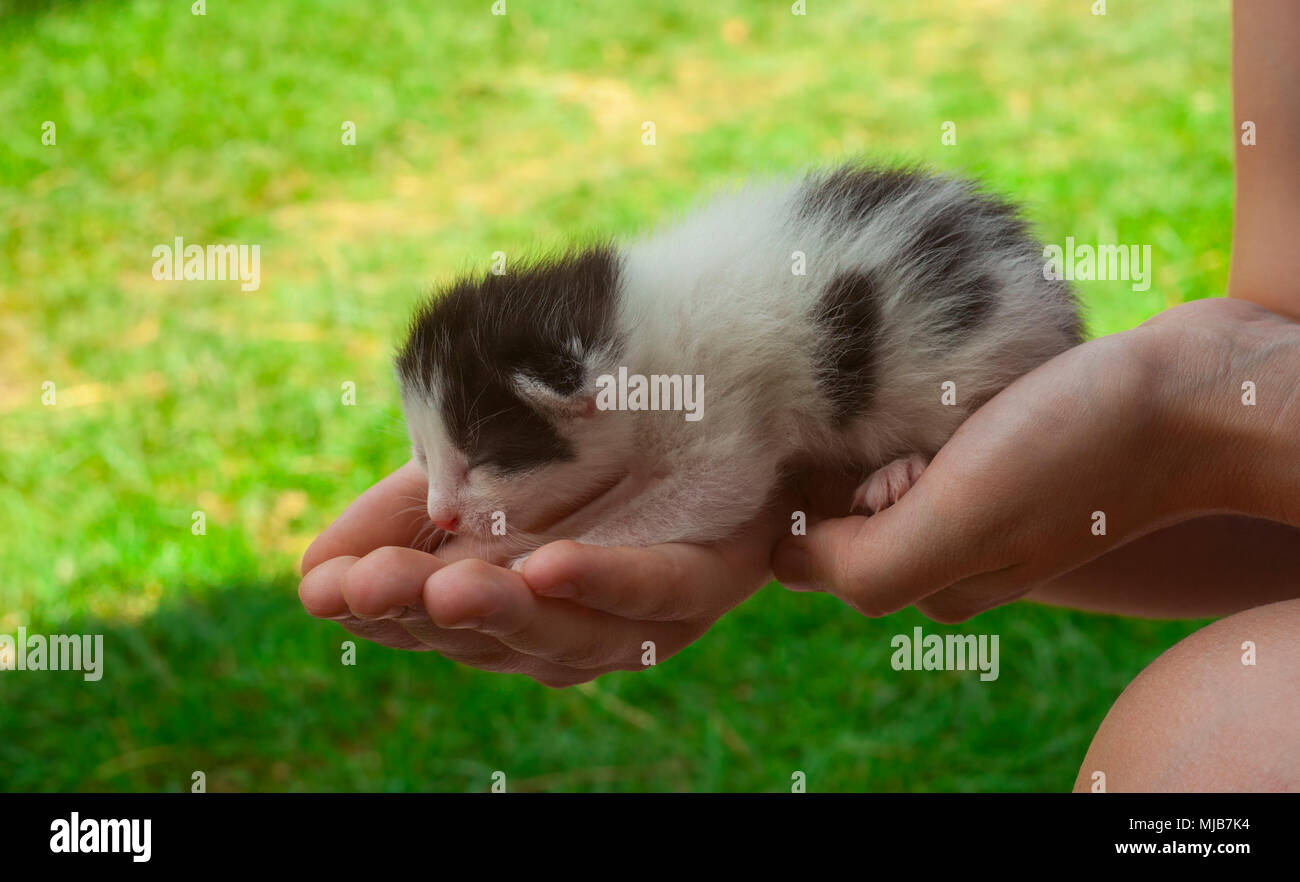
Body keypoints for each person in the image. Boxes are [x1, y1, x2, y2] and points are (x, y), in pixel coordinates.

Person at [299, 0, 1300, 791]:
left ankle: (938, 442)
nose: (438, 504)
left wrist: (542, 546)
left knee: (1199, 756)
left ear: (580, 394)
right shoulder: (649, 354)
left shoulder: (672, 358)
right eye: (431, 457)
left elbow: (721, 488)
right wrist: (1189, 421)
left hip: (981, 335)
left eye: (463, 465)